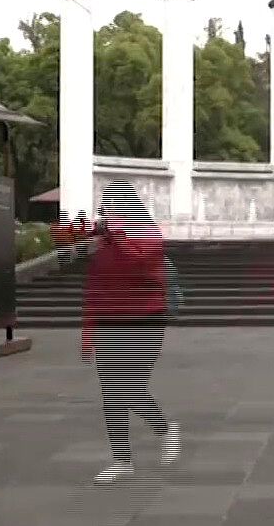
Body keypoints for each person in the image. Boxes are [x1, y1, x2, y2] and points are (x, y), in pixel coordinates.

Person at [81, 180, 181, 485]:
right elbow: (94, 289)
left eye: (112, 207)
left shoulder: (148, 233)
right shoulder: (103, 247)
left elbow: (138, 261)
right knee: (112, 393)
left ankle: (165, 429)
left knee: (131, 388)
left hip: (147, 318)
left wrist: (116, 234)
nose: (106, 213)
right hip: (111, 321)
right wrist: (88, 334)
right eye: (105, 207)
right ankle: (122, 460)